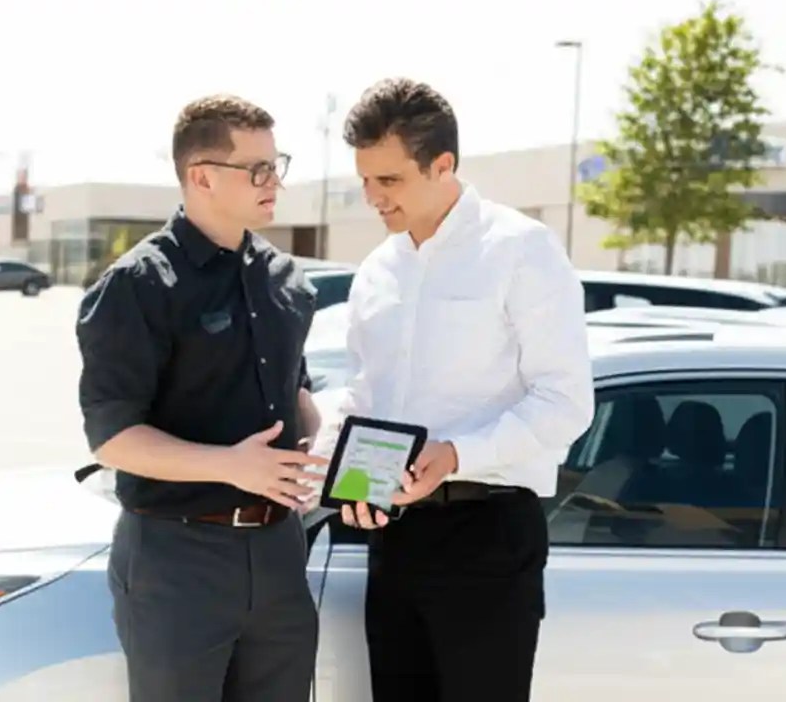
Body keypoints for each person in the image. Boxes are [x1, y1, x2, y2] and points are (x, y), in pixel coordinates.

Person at [308, 78, 595, 701]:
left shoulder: (522, 250)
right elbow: (364, 394)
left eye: (389, 181)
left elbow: (566, 402)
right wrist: (337, 468)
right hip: (393, 536)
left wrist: (457, 455)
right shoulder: (378, 270)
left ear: (443, 165)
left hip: (488, 537)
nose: (372, 199)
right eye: (365, 181)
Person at [76, 94, 325, 702]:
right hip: (175, 559)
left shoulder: (285, 280)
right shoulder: (137, 286)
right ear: (202, 176)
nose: (276, 183)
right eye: (258, 169)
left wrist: (325, 442)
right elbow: (112, 438)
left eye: (278, 165)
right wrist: (230, 466)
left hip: (278, 554)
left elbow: (296, 393)